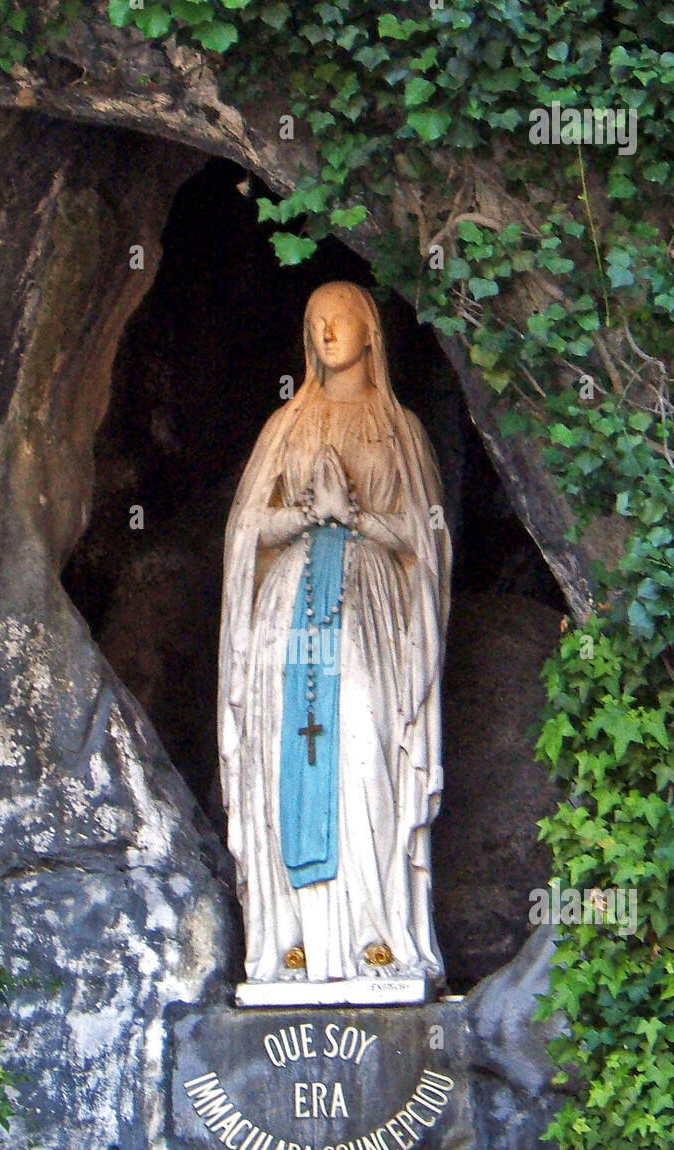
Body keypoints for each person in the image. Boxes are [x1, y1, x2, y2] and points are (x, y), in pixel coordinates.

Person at [218, 281, 450, 984]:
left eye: (338, 320)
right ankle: (295, 942)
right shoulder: (285, 428)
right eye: (314, 321)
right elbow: (243, 534)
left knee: (362, 739)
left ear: (370, 331)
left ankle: (376, 935)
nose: (325, 333)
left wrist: (354, 518)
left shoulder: (400, 429)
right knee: (282, 753)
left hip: (367, 604)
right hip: (287, 613)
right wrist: (301, 517)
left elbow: (429, 540)